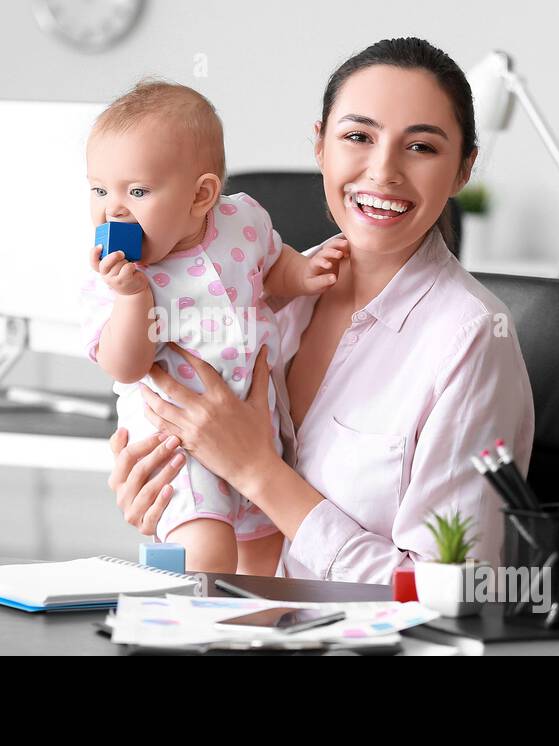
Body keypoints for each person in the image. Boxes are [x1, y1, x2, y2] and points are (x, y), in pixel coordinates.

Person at [104, 38, 535, 584]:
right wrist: (159, 494)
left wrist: (258, 472)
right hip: (228, 625)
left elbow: (455, 592)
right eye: (358, 136)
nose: (383, 172)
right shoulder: (252, 292)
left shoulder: (471, 339)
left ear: (463, 169)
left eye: (421, 148)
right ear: (320, 146)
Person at [82, 80, 348, 574]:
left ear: (202, 194)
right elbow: (124, 365)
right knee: (208, 553)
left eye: (136, 191)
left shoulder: (242, 219)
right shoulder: (119, 278)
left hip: (256, 425)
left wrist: (304, 274)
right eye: (99, 189)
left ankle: (250, 636)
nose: (112, 209)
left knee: (266, 555)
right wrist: (133, 298)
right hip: (177, 443)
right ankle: (192, 631)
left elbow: (272, 265)